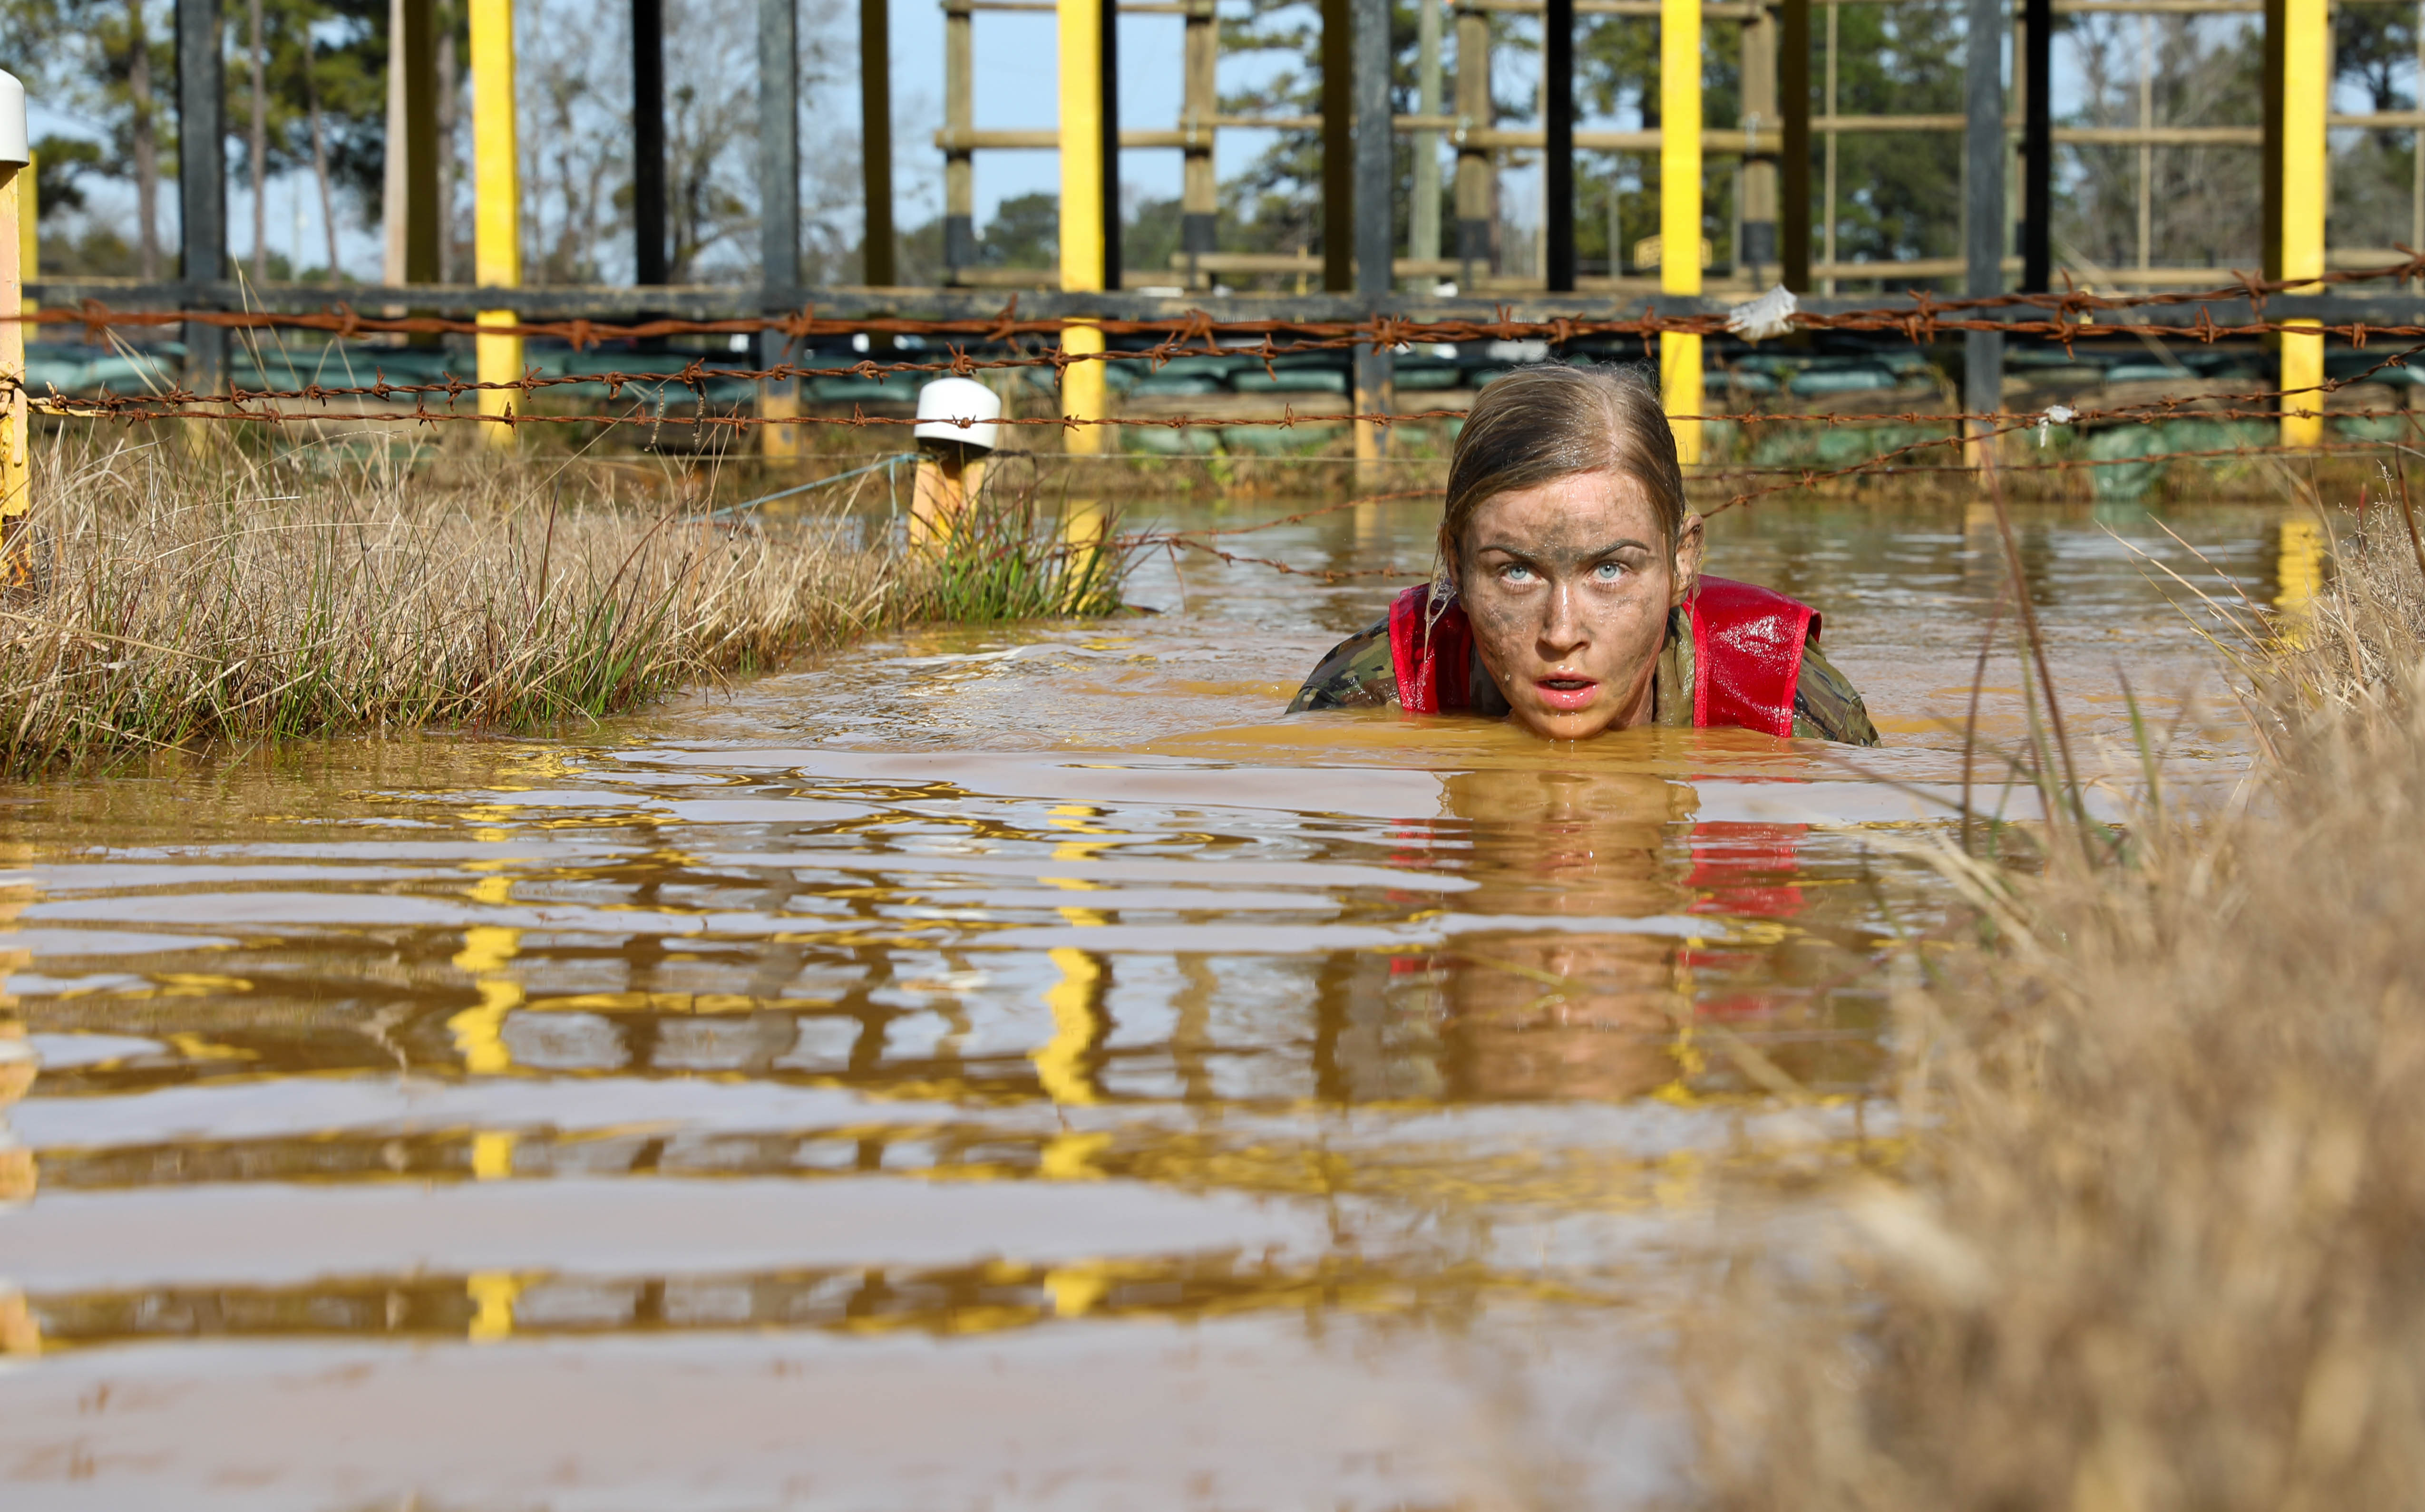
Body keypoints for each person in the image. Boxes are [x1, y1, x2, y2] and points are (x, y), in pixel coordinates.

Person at [1287, 364, 1879, 746]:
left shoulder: (1779, 692)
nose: (1562, 631)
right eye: (1515, 571)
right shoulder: (1380, 687)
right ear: (1457, 565)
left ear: (1682, 561)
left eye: (1609, 569)